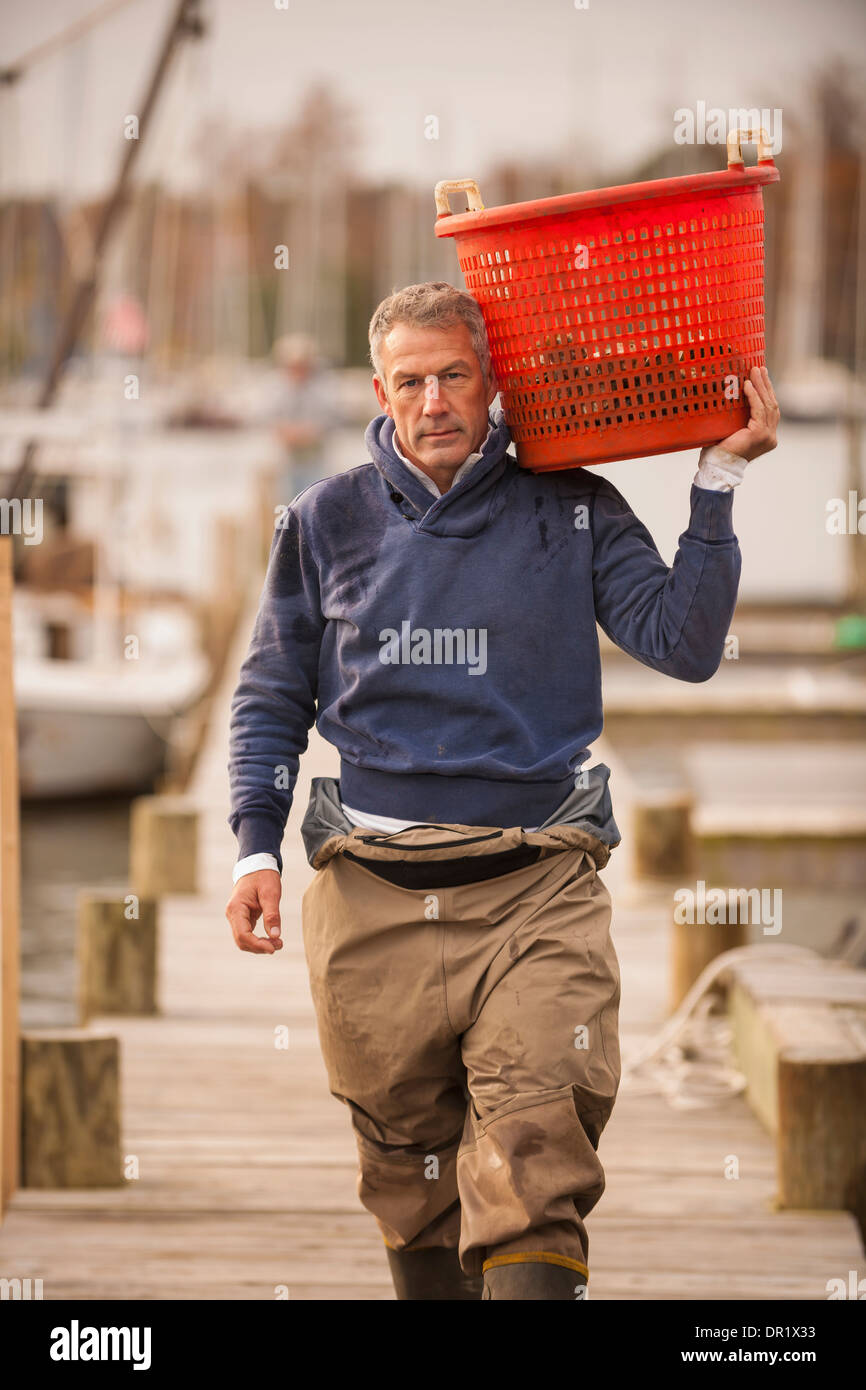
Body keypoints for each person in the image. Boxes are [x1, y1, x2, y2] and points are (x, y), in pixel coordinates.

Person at [225, 281, 780, 1300]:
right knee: (410, 1179)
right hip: (369, 897)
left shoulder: (571, 507)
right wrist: (254, 846)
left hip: (536, 892)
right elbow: (269, 694)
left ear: (491, 383)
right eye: (409, 381)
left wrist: (715, 480)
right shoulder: (320, 521)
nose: (432, 401)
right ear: (380, 392)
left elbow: (684, 644)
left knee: (535, 1155)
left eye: (452, 375)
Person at [264, 332, 341, 507]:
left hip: (316, 460)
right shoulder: (276, 388)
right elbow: (268, 420)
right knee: (287, 507)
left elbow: (330, 421)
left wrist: (305, 433)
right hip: (286, 462)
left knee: (315, 503)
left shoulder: (324, 388)